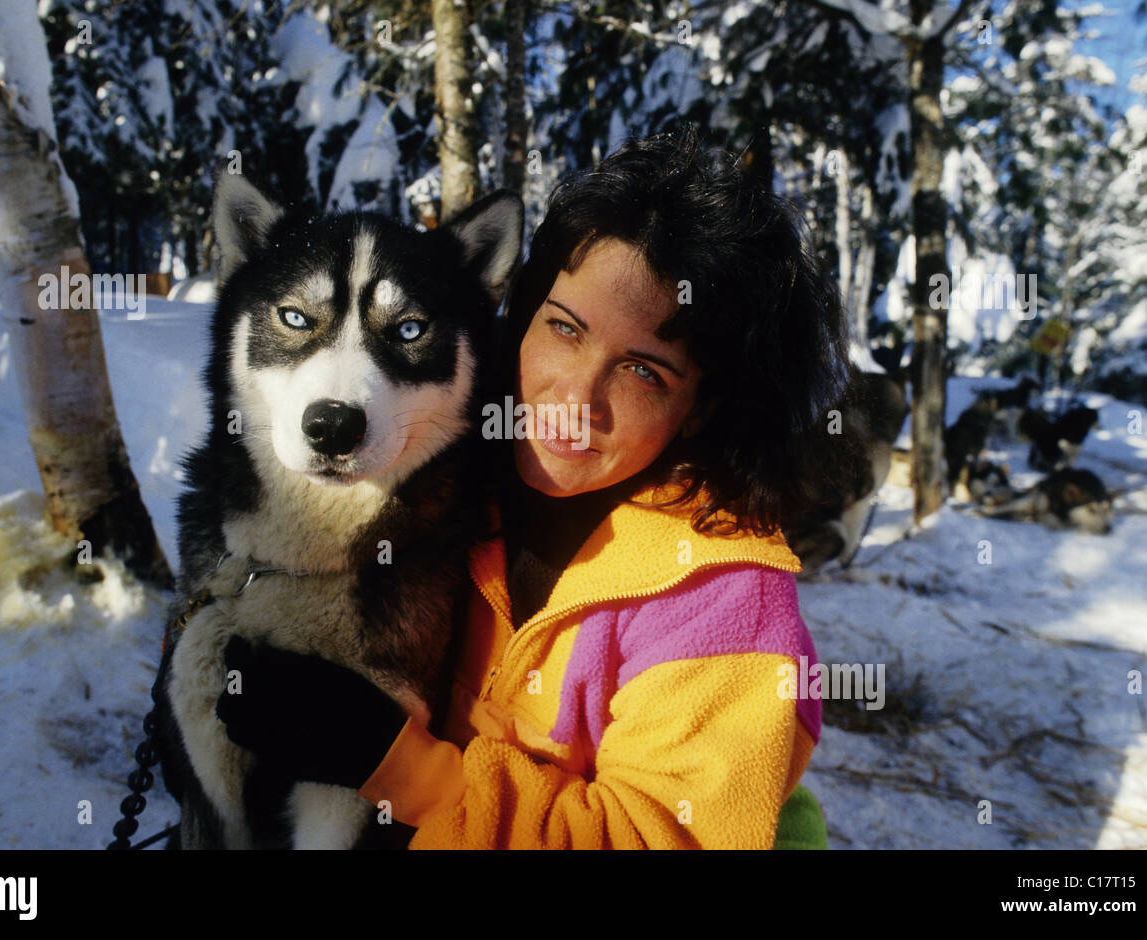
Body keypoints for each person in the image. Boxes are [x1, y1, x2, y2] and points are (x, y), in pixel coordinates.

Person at [217, 124, 859, 849]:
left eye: (645, 371)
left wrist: (404, 773)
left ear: (700, 411)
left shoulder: (724, 605)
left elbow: (653, 838)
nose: (574, 399)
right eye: (564, 328)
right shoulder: (465, 488)